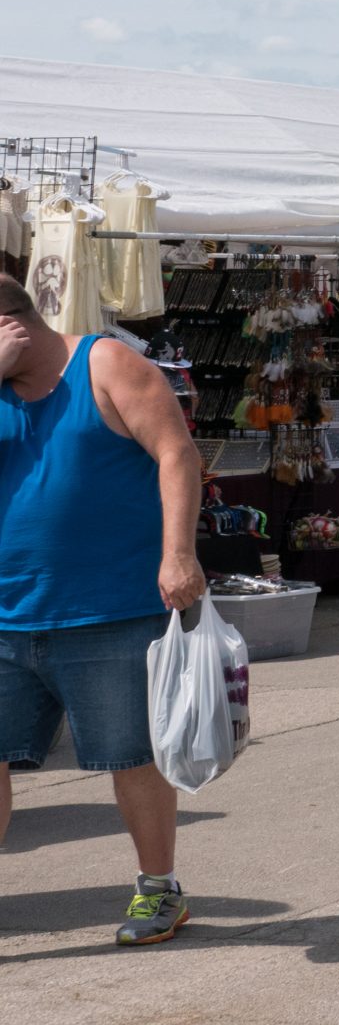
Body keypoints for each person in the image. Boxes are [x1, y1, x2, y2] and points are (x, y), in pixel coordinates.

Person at [0, 273, 210, 945]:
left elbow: (176, 452)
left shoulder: (106, 363)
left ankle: (158, 890)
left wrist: (178, 554)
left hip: (107, 608)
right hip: (6, 613)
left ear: (15, 324)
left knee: (132, 756)